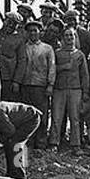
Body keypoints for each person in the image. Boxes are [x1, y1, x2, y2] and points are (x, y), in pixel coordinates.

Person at [13, 19, 55, 149]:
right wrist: (17, 82)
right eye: (30, 31)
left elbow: (52, 67)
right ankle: (28, 142)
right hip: (25, 85)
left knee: (42, 115)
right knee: (27, 115)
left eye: (35, 31)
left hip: (40, 86)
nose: (32, 33)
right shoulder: (23, 47)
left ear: (40, 32)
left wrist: (50, 84)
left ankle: (41, 143)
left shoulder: (47, 48)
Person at [50, 27, 90, 150]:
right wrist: (63, 67)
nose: (69, 38)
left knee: (75, 117)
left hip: (75, 89)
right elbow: (52, 69)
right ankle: (54, 143)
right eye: (66, 35)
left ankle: (75, 144)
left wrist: (85, 91)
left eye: (71, 35)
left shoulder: (79, 54)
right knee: (56, 117)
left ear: (75, 38)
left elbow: (84, 75)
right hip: (59, 89)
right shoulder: (57, 53)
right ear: (63, 38)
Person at [0, 11, 24, 103]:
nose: (11, 25)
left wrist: (16, 81)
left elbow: (22, 61)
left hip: (8, 78)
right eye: (9, 22)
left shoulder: (19, 39)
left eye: (14, 24)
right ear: (4, 20)